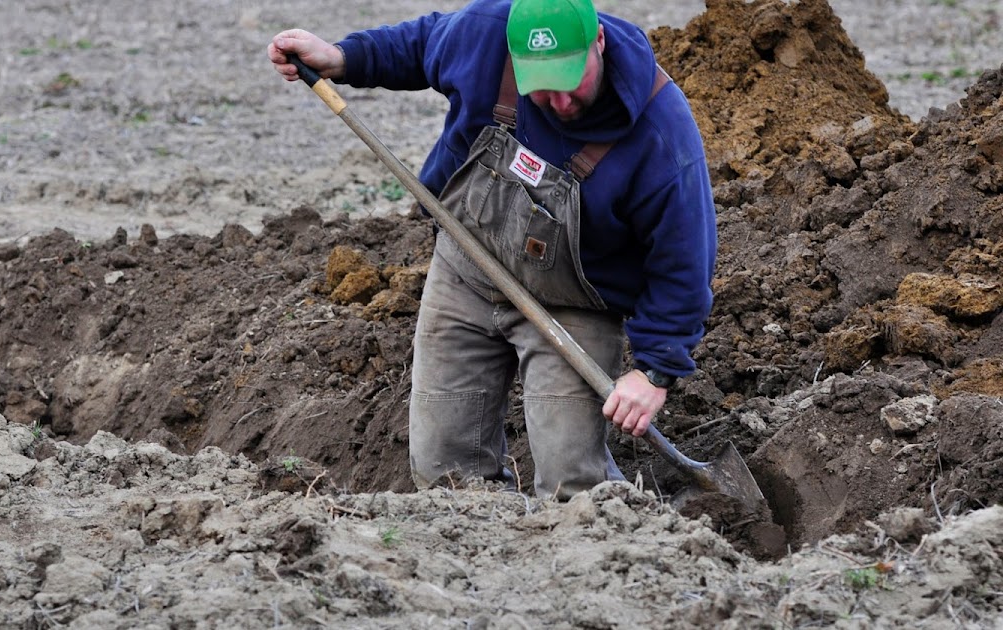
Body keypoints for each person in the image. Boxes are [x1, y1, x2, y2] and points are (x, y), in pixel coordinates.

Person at [268, 0, 716, 499]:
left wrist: (654, 370)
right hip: (467, 268)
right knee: (444, 471)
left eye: (571, 81)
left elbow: (684, 260)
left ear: (599, 44)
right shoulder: (484, 36)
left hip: (575, 303)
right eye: (542, 85)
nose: (560, 102)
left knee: (573, 483)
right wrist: (341, 57)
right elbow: (420, 45)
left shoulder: (662, 130)